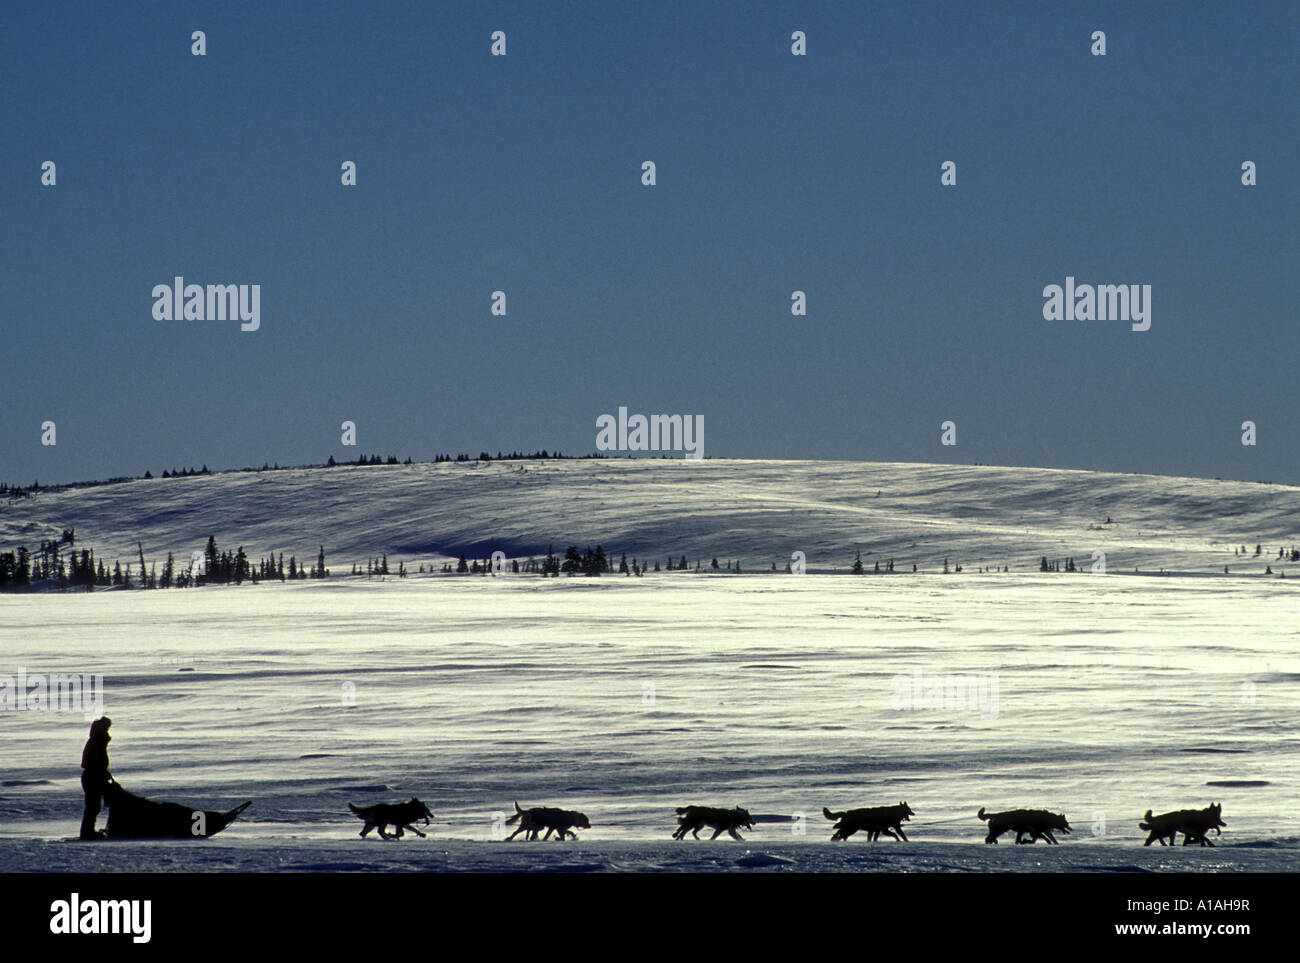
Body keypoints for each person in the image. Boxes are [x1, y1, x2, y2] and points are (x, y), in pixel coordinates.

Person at [79, 717, 112, 840]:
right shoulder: (98, 741)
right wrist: (102, 772)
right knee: (93, 806)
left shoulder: (95, 741)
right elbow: (95, 762)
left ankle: (88, 831)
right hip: (93, 776)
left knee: (93, 806)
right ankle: (87, 832)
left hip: (92, 775)